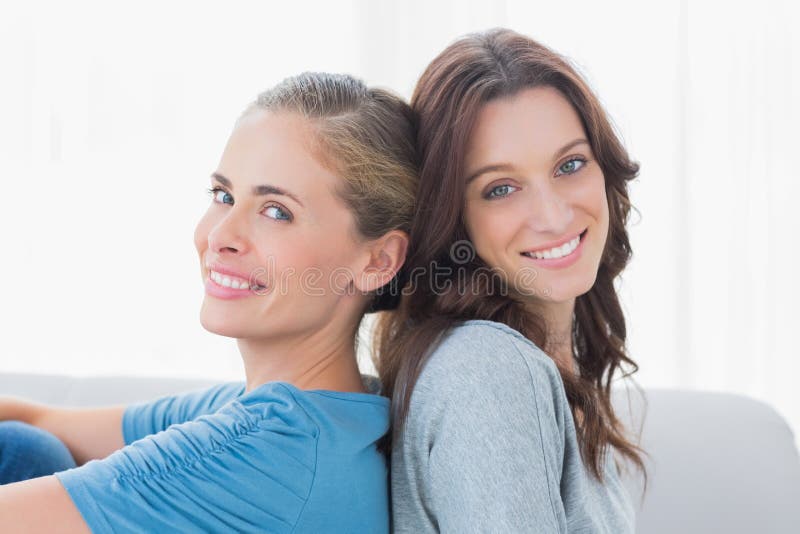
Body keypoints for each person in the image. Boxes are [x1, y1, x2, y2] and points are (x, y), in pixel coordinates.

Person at [0, 71, 417, 533]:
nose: (220, 236)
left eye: (276, 211)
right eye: (224, 195)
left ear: (378, 259)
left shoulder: (269, 453)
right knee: (28, 447)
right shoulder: (333, 411)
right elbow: (40, 417)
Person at [374, 28, 648, 533]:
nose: (552, 215)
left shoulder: (537, 364)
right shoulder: (492, 373)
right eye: (501, 188)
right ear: (452, 216)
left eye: (570, 164)